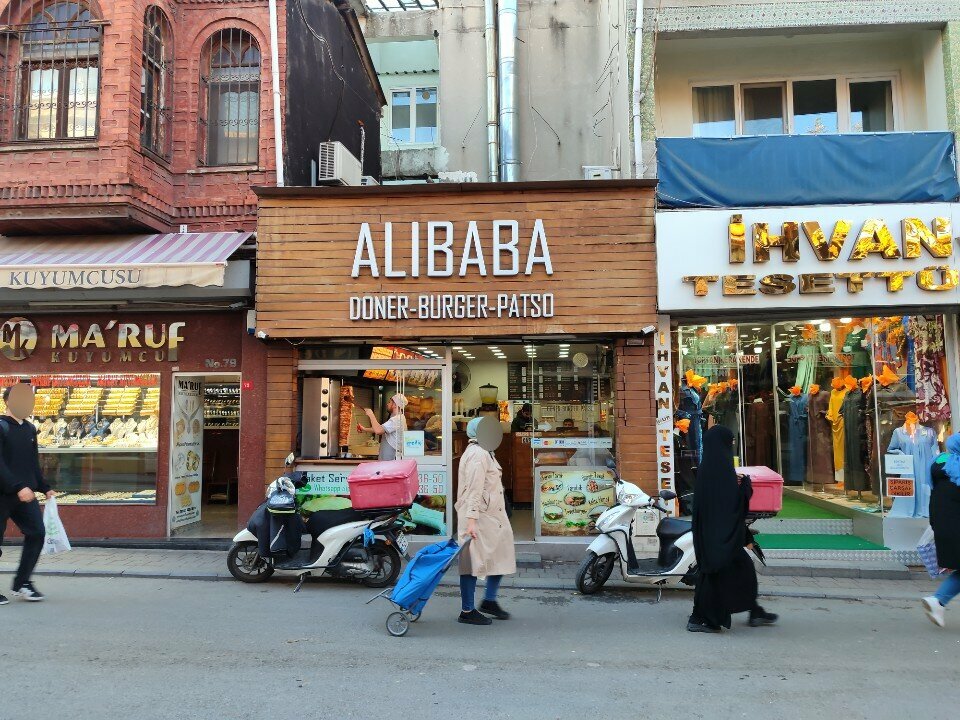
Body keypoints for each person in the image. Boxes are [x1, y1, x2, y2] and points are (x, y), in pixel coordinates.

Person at [687, 425, 776, 633]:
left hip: (714, 538)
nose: (732, 447)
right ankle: (700, 619)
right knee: (713, 578)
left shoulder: (707, 470)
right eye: (730, 443)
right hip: (721, 541)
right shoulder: (723, 472)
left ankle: (754, 610)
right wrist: (746, 489)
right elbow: (733, 507)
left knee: (743, 571)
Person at [456, 417, 516, 625]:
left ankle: (489, 600)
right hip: (478, 517)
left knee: (500, 554)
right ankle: (467, 610)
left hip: (491, 516)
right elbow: (474, 489)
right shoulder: (478, 455)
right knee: (471, 561)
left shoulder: (485, 452)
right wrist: (471, 520)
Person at [0, 383, 54, 604]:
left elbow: (32, 462)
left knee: (37, 533)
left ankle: (23, 582)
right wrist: (17, 487)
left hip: (25, 492)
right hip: (4, 493)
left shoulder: (30, 429)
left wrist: (44, 486)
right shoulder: (1, 426)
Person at [922, 433, 960, 627]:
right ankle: (938, 600)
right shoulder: (958, 472)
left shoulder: (939, 463)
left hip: (942, 527)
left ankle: (938, 601)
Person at [359, 393, 407, 460]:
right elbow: (381, 428)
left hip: (390, 459)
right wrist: (364, 429)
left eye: (389, 402)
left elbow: (378, 430)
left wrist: (371, 415)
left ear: (395, 405)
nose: (387, 404)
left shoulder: (397, 419)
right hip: (386, 458)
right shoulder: (398, 418)